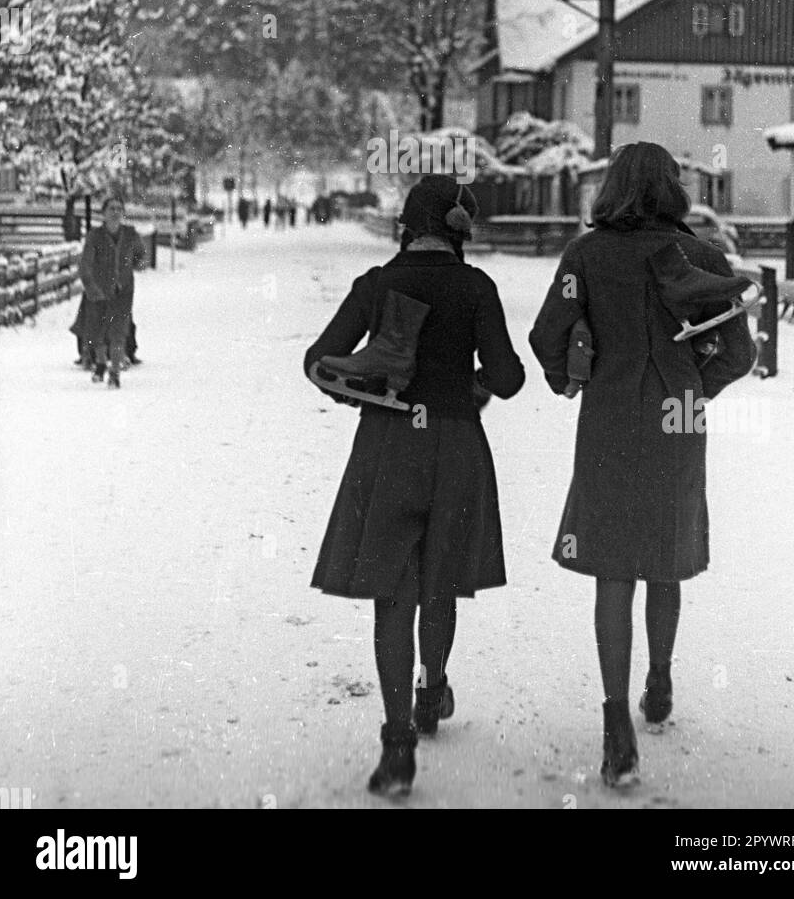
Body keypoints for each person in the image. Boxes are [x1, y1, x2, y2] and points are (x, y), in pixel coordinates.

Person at [529, 142, 755, 788]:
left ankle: (615, 724)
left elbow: (547, 337)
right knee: (664, 553)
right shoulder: (703, 257)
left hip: (608, 422)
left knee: (612, 568)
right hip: (676, 423)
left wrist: (573, 372)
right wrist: (693, 385)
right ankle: (659, 681)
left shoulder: (585, 255)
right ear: (672, 189)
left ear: (613, 185)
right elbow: (737, 353)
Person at [304, 175, 525, 800]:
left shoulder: (376, 285)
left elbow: (319, 361)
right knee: (442, 579)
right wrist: (469, 377)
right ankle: (433, 689)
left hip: (389, 446)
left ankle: (397, 746)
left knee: (392, 594)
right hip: (455, 445)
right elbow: (508, 378)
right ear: (459, 230)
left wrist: (374, 387)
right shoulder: (476, 286)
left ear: (407, 222)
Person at [79, 195, 147, 389]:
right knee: (98, 332)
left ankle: (114, 372)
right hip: (98, 291)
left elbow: (141, 255)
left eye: (119, 208)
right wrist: (91, 287)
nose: (116, 212)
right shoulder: (95, 236)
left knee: (119, 332)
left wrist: (139, 262)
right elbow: (85, 265)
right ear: (104, 213)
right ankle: (100, 364)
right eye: (112, 209)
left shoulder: (130, 234)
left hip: (123, 291)